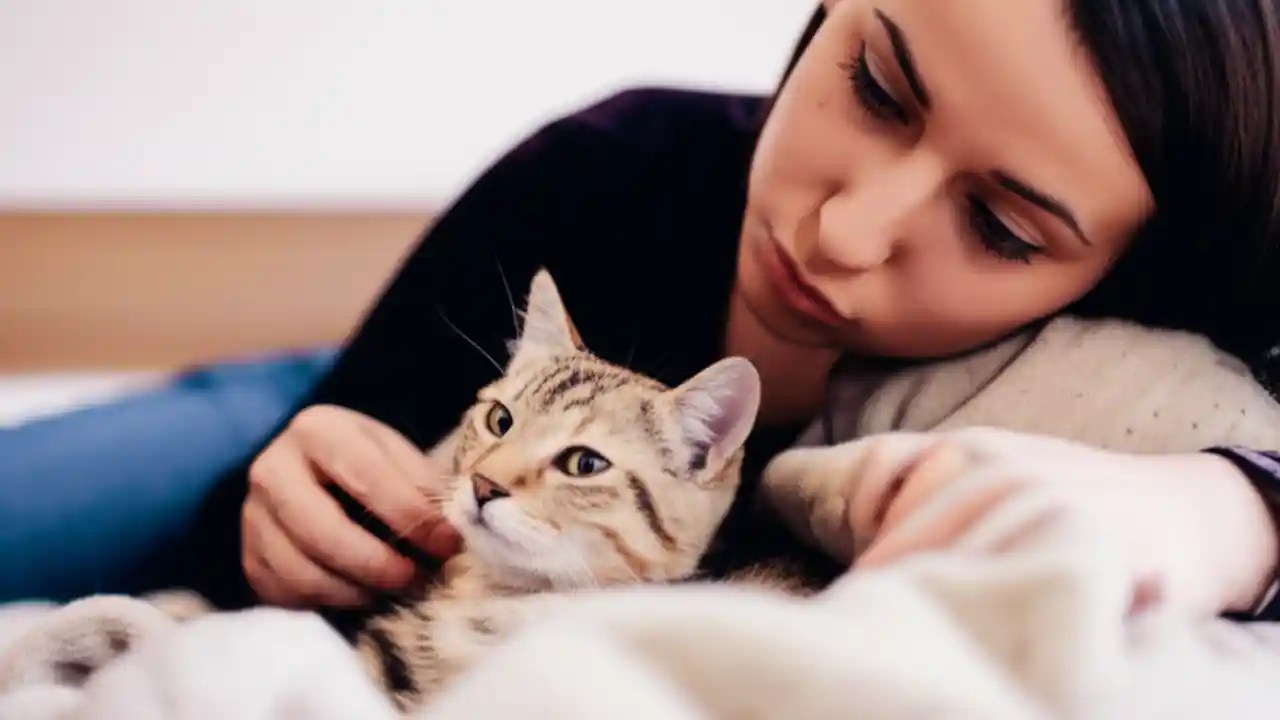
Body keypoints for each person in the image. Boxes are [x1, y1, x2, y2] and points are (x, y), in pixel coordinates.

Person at [18, 1, 1280, 617]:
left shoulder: (1164, 345)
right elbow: (282, 504)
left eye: (999, 228)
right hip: (351, 382)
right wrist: (273, 500)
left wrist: (1234, 505)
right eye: (877, 84)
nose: (839, 230)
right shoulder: (610, 170)